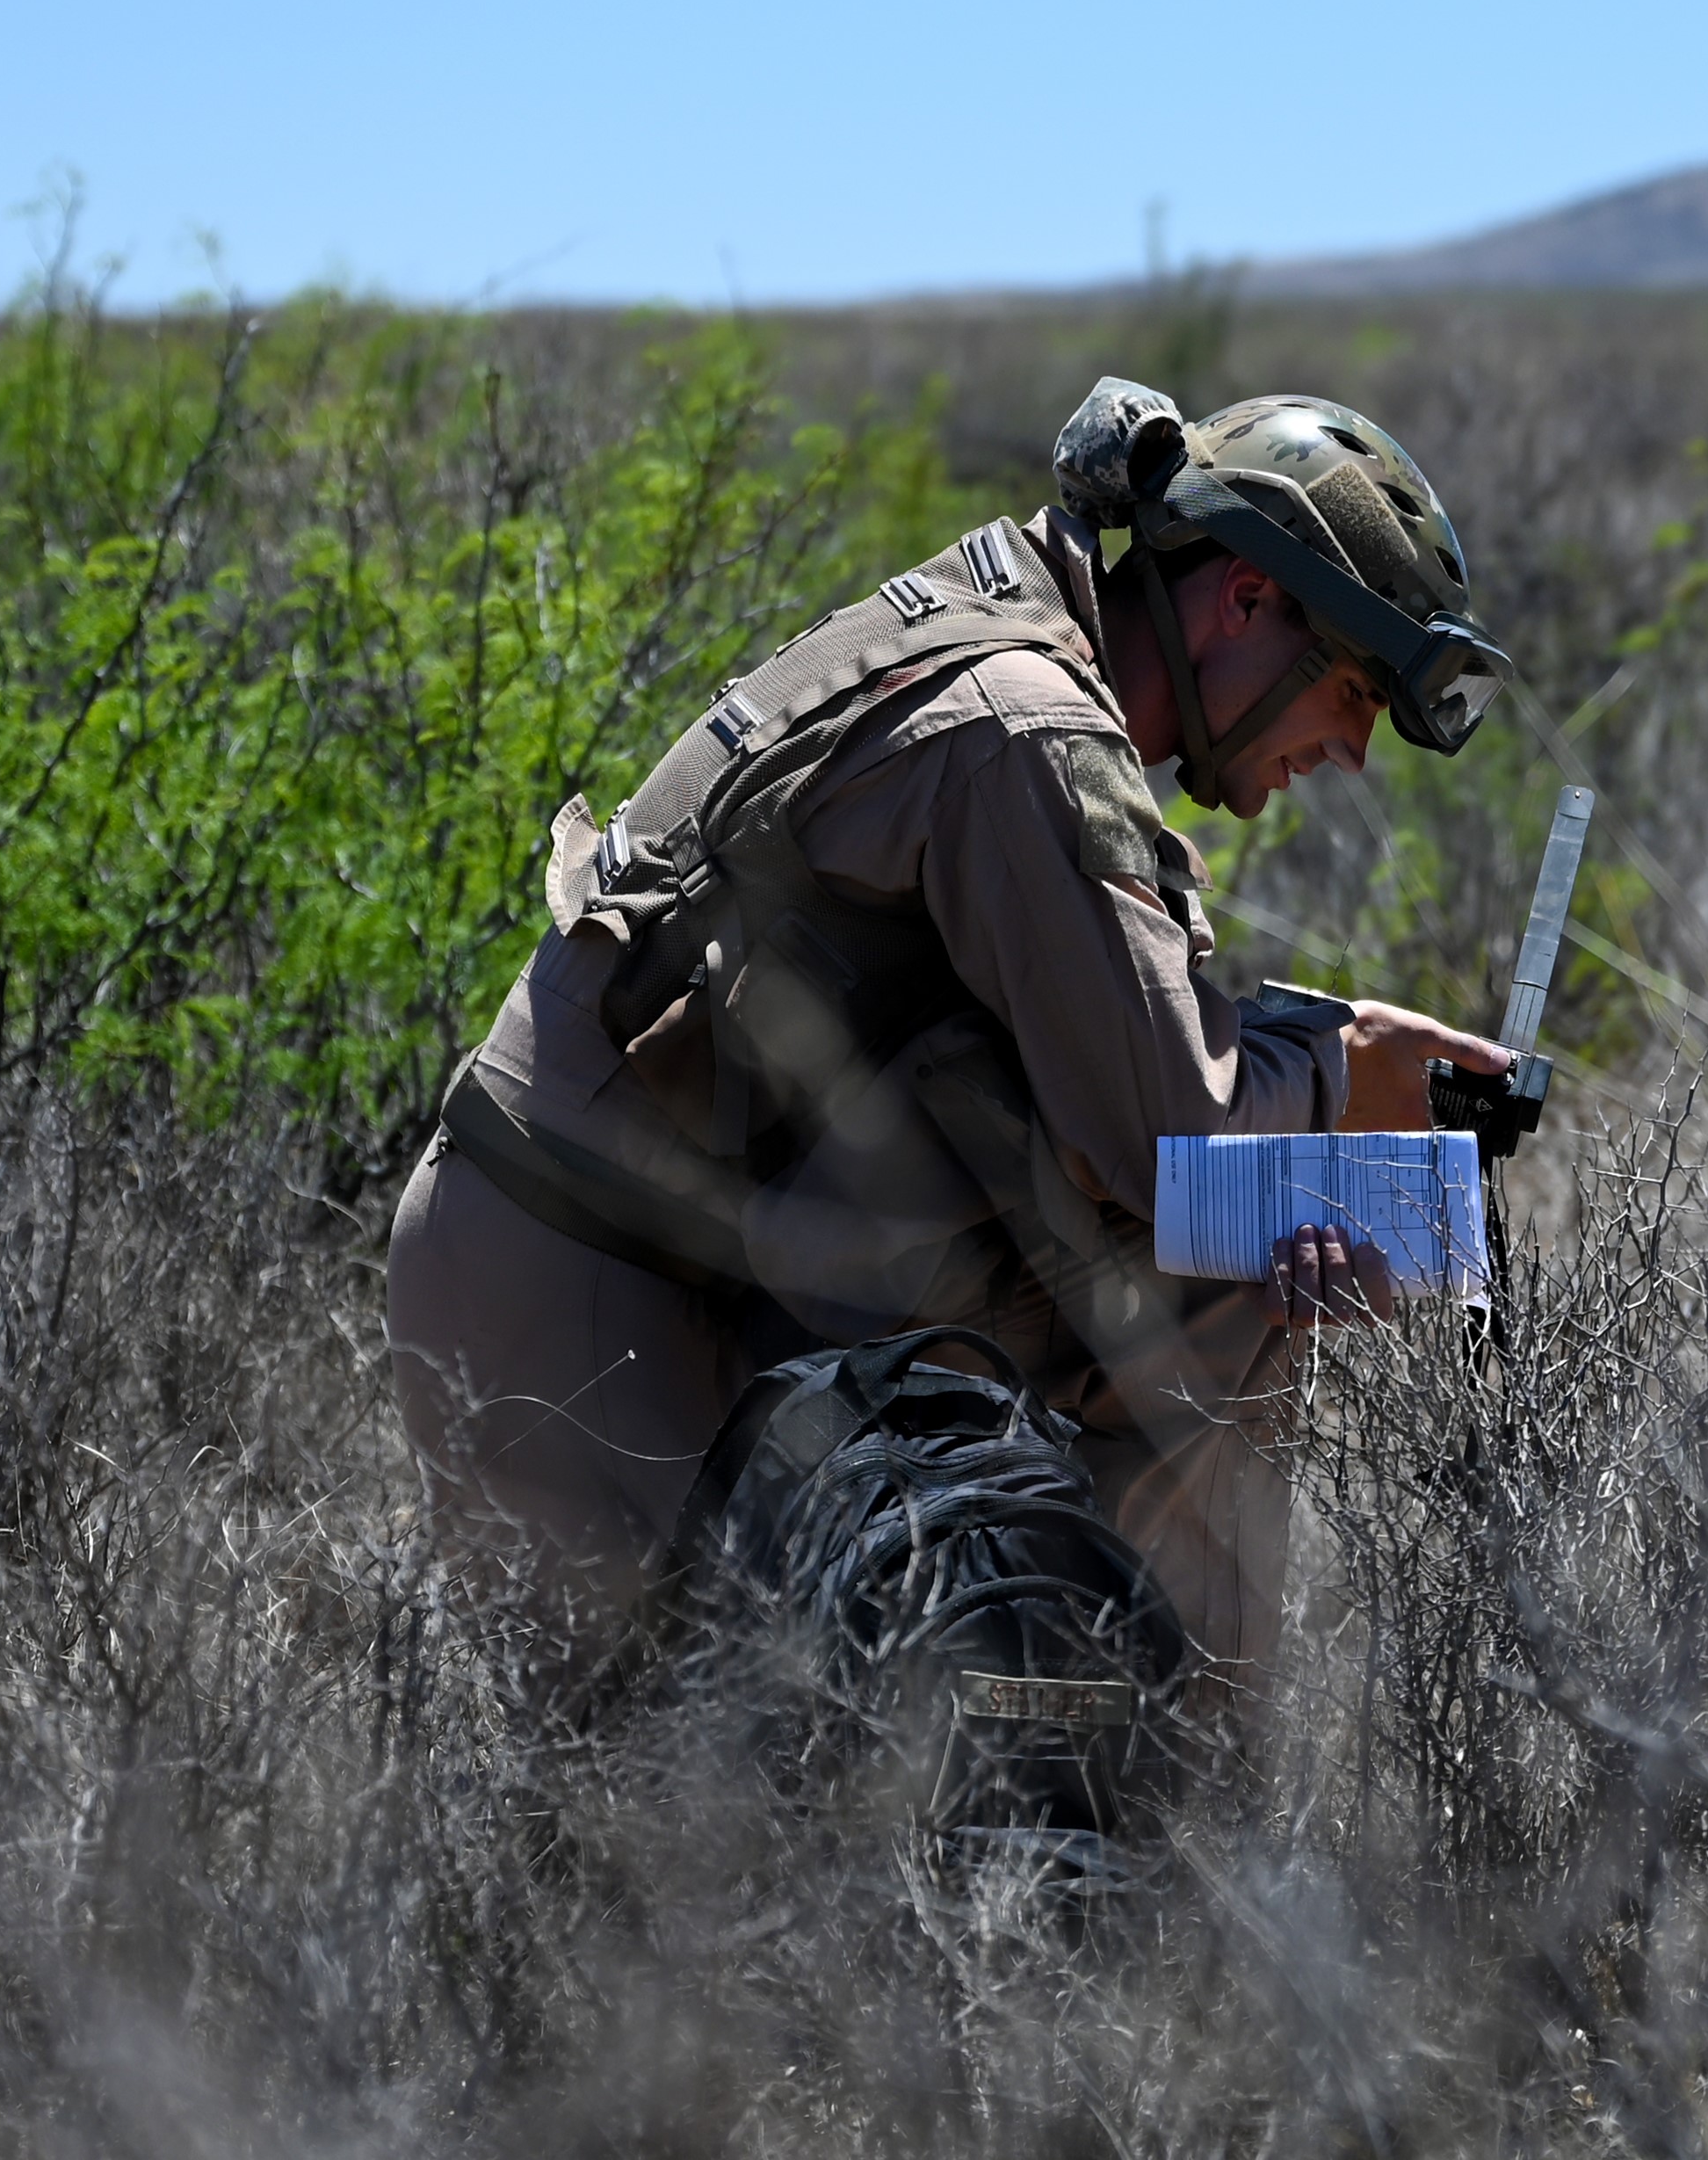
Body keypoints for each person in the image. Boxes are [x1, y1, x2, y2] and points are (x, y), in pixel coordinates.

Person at [384, 380, 1515, 1685]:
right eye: (1355, 695)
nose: (1355, 753)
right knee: (637, 1811)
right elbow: (1168, 1144)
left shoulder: (1022, 650)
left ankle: (1141, 1810)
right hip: (578, 1273)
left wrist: (1342, 1115)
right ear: (1245, 603)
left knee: (1224, 1273)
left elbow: (1099, 1091)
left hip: (659, 1247)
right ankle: (1152, 1808)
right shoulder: (1025, 732)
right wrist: (1346, 1080)